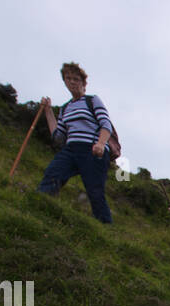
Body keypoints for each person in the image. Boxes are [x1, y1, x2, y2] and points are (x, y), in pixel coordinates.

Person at [38, 62, 115, 224]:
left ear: (84, 83)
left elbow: (106, 124)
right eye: (68, 79)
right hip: (71, 149)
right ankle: (37, 205)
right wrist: (48, 111)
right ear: (64, 82)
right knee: (52, 174)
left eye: (76, 79)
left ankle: (106, 227)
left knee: (95, 191)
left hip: (93, 149)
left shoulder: (92, 100)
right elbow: (58, 136)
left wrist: (101, 144)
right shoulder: (65, 108)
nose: (72, 82)